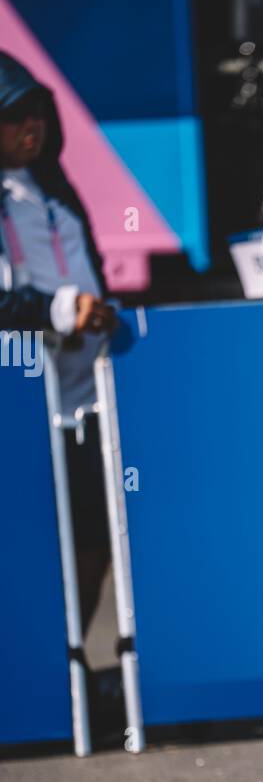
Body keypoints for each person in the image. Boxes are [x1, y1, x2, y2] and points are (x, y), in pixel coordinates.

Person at [0, 52, 115, 636]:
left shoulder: (52, 181)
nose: (32, 126)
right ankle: (38, 683)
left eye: (37, 112)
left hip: (90, 400)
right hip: (24, 410)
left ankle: (69, 662)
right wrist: (63, 310)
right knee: (35, 553)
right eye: (14, 116)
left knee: (98, 542)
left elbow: (88, 271)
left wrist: (101, 310)